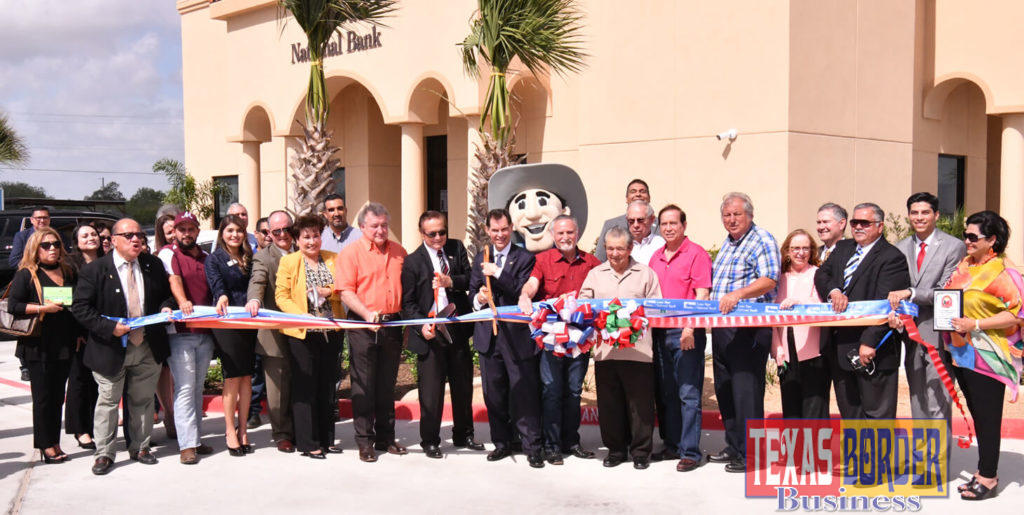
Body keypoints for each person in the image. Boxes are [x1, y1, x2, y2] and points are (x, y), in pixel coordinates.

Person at [72, 218, 174, 476]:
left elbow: (165, 294)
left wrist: (166, 305)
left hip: (147, 345)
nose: (136, 239)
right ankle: (105, 453)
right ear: (114, 240)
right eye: (128, 235)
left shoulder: (152, 265)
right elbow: (81, 309)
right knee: (107, 402)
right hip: (110, 348)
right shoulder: (95, 270)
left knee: (141, 400)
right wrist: (109, 329)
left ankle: (140, 447)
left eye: (139, 234)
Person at [938, 211, 1022, 500]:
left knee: (987, 418)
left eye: (973, 237)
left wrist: (975, 324)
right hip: (959, 353)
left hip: (987, 356)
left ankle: (988, 478)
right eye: (966, 235)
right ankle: (982, 471)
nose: (967, 241)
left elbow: (1016, 315)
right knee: (978, 414)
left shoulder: (1003, 273)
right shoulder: (964, 266)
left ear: (992, 240)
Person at [516, 214, 600, 465]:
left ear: (577, 234)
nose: (565, 237)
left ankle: (571, 441)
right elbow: (531, 285)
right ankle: (552, 446)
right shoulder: (542, 260)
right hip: (552, 339)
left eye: (570, 232)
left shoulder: (592, 262)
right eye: (561, 233)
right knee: (552, 391)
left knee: (573, 391)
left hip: (580, 338)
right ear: (553, 235)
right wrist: (524, 296)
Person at [814, 203, 910, 419]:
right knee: (851, 415)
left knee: (876, 416)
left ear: (880, 226)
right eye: (855, 222)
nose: (858, 227)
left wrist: (869, 342)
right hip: (840, 348)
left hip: (873, 349)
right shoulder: (843, 248)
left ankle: (877, 455)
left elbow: (885, 304)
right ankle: (857, 455)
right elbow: (822, 275)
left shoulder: (891, 257)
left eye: (865, 223)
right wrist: (834, 291)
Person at [400, 210, 482, 459]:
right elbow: (408, 303)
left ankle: (464, 434)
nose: (438, 237)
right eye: (432, 233)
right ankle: (431, 440)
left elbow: (470, 279)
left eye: (442, 232)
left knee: (462, 385)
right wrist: (421, 325)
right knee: (431, 390)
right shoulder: (413, 262)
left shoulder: (456, 248)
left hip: (456, 327)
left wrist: (451, 281)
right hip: (431, 331)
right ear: (422, 233)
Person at [708, 192, 780, 473]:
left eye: (737, 214)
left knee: (746, 391)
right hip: (723, 327)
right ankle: (734, 446)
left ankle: (752, 456)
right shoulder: (727, 244)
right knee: (726, 389)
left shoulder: (761, 239)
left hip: (749, 327)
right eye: (726, 215)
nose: (731, 219)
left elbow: (769, 278)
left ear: (749, 214)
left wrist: (738, 294)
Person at [579, 227, 662, 469]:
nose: (614, 254)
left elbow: (657, 308)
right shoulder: (595, 274)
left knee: (640, 405)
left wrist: (633, 321)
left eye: (619, 249)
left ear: (630, 249)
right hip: (606, 352)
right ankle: (615, 450)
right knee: (609, 404)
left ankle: (640, 452)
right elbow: (584, 306)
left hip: (639, 352)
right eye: (610, 248)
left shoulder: (646, 274)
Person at [469, 209, 545, 468]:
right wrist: (478, 298)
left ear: (511, 228)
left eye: (504, 229)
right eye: (494, 230)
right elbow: (471, 292)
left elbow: (521, 292)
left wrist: (498, 273)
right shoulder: (481, 257)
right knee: (494, 395)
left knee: (524, 393)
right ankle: (502, 443)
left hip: (517, 338)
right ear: (487, 230)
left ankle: (532, 446)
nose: (499, 235)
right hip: (488, 337)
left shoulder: (524, 257)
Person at [335, 202, 408, 463]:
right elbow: (345, 291)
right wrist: (367, 315)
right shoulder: (350, 253)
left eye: (384, 225)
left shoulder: (400, 252)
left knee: (387, 384)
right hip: (363, 326)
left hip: (392, 325)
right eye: (375, 225)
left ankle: (386, 438)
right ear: (363, 227)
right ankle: (364, 442)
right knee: (363, 384)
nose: (380, 230)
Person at [886, 192, 965, 425]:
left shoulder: (954, 247)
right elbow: (894, 290)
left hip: (939, 334)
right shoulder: (899, 248)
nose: (919, 217)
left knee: (938, 400)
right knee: (917, 399)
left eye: (925, 212)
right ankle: (922, 458)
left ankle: (938, 460)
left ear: (936, 215)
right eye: (914, 213)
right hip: (910, 335)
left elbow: (947, 292)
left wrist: (911, 293)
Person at [647, 204, 712, 472]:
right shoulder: (655, 257)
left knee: (689, 394)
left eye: (674, 223)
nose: (669, 228)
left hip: (686, 332)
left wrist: (689, 327)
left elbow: (702, 295)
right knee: (667, 393)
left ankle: (690, 452)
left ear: (684, 225)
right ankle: (672, 444)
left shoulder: (696, 254)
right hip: (659, 333)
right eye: (664, 224)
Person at [276, 214, 345, 459]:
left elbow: (343, 288)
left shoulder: (333, 259)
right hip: (302, 333)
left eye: (316, 235)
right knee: (305, 387)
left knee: (328, 386)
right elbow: (281, 297)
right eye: (306, 237)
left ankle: (327, 439)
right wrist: (304, 316)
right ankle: (308, 442)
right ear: (297, 239)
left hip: (331, 332)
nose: (312, 241)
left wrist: (329, 291)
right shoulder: (289, 262)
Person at [9, 228, 77, 463]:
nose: (52, 249)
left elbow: (75, 306)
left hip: (64, 343)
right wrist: (41, 309)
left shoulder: (68, 271)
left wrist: (78, 334)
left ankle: (55, 442)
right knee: (43, 397)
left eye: (56, 244)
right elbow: (13, 306)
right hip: (38, 344)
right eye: (46, 245)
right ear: (35, 248)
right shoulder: (28, 274)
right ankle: (45, 445)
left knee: (58, 396)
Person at [161, 212, 216, 464]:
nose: (186, 233)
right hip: (181, 333)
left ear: (197, 231)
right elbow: (173, 280)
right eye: (181, 229)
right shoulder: (169, 254)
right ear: (175, 232)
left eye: (190, 229)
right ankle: (186, 446)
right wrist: (183, 302)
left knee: (196, 387)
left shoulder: (206, 258)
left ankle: (195, 439)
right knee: (184, 388)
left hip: (205, 333)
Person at [207, 215, 259, 458]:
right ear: (222, 233)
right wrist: (221, 296)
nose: (235, 235)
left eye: (239, 230)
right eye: (230, 230)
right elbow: (216, 284)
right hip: (227, 323)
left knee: (247, 377)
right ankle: (229, 430)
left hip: (249, 323)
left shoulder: (250, 257)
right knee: (232, 377)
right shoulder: (214, 258)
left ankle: (244, 429)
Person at [245, 210, 297, 452]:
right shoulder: (263, 258)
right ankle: (282, 434)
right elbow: (257, 281)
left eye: (287, 229)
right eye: (276, 231)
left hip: (305, 332)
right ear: (269, 234)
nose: (283, 234)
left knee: (303, 384)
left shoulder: (304, 250)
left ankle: (303, 430)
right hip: (275, 334)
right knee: (277, 389)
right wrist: (254, 300)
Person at [770, 229, 829, 418]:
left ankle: (817, 448)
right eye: (795, 248)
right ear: (787, 251)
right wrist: (777, 348)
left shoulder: (818, 274)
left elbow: (823, 305)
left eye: (805, 248)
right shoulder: (778, 278)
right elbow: (771, 317)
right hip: (786, 350)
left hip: (813, 350)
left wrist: (799, 302)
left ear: (812, 251)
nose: (800, 252)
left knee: (815, 408)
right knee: (790, 407)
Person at [64, 224, 104, 451]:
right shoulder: (70, 265)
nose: (91, 238)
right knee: (79, 380)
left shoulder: (108, 260)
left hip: (106, 329)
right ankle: (81, 429)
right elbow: (70, 301)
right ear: (77, 242)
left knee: (98, 383)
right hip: (80, 331)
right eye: (85, 235)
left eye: (94, 234)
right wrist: (78, 332)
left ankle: (97, 426)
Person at [152, 212, 178, 439]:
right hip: (165, 323)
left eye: (175, 230)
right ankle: (169, 415)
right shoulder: (158, 258)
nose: (174, 236)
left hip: (188, 324)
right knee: (164, 372)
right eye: (169, 232)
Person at [595, 180, 659, 261]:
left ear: (649, 198)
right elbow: (599, 260)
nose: (638, 194)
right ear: (626, 199)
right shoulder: (611, 225)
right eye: (633, 191)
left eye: (642, 191)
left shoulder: (662, 224)